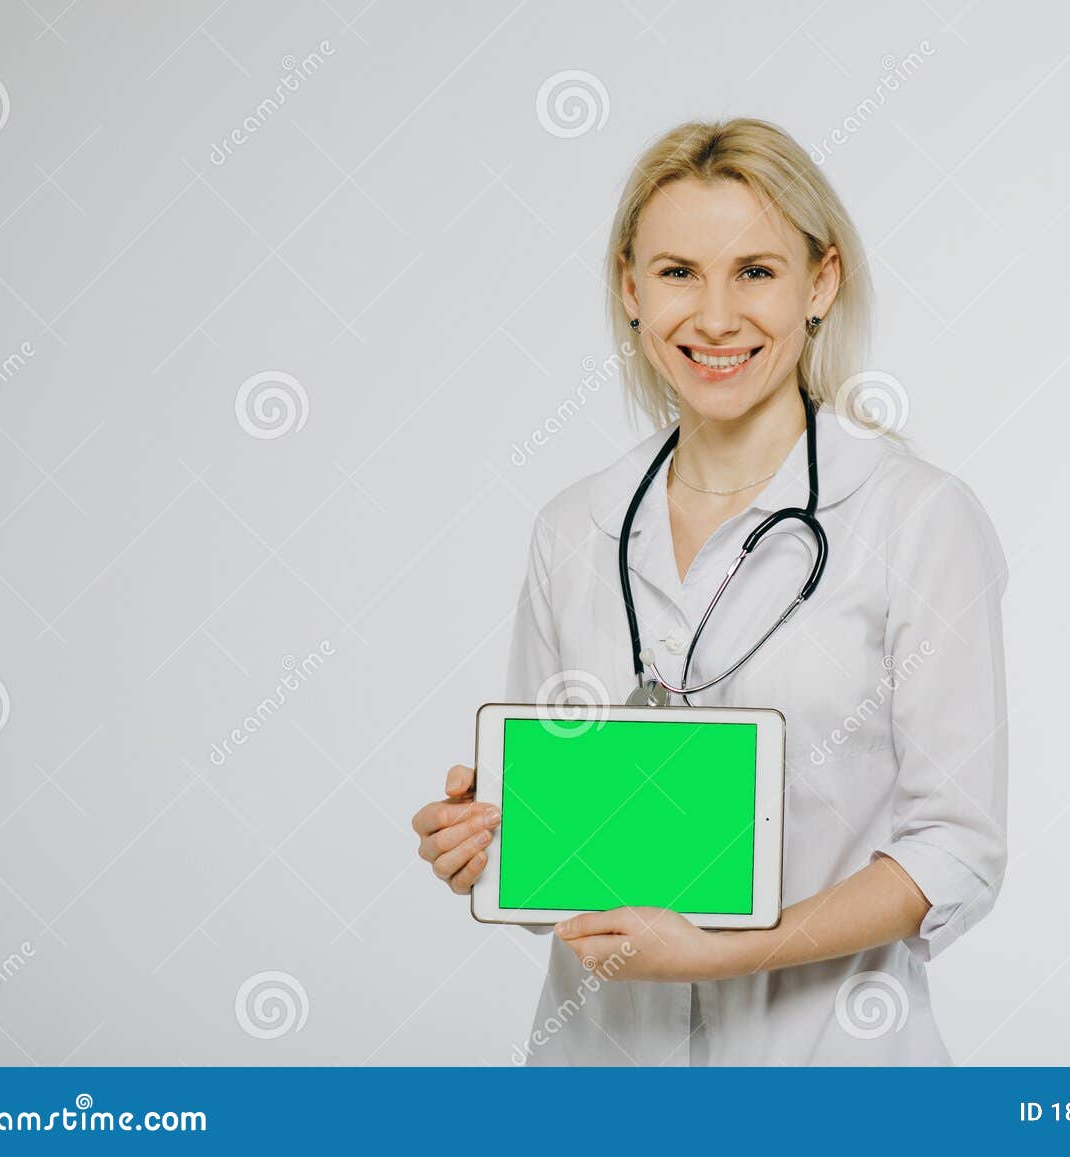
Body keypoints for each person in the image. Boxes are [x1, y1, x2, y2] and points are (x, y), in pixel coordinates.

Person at [411, 117, 1009, 1065]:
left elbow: (954, 851)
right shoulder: (576, 531)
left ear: (821, 282)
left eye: (757, 272)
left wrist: (727, 953)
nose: (717, 317)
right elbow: (557, 886)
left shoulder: (915, 520)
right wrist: (494, 846)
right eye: (679, 271)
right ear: (630, 288)